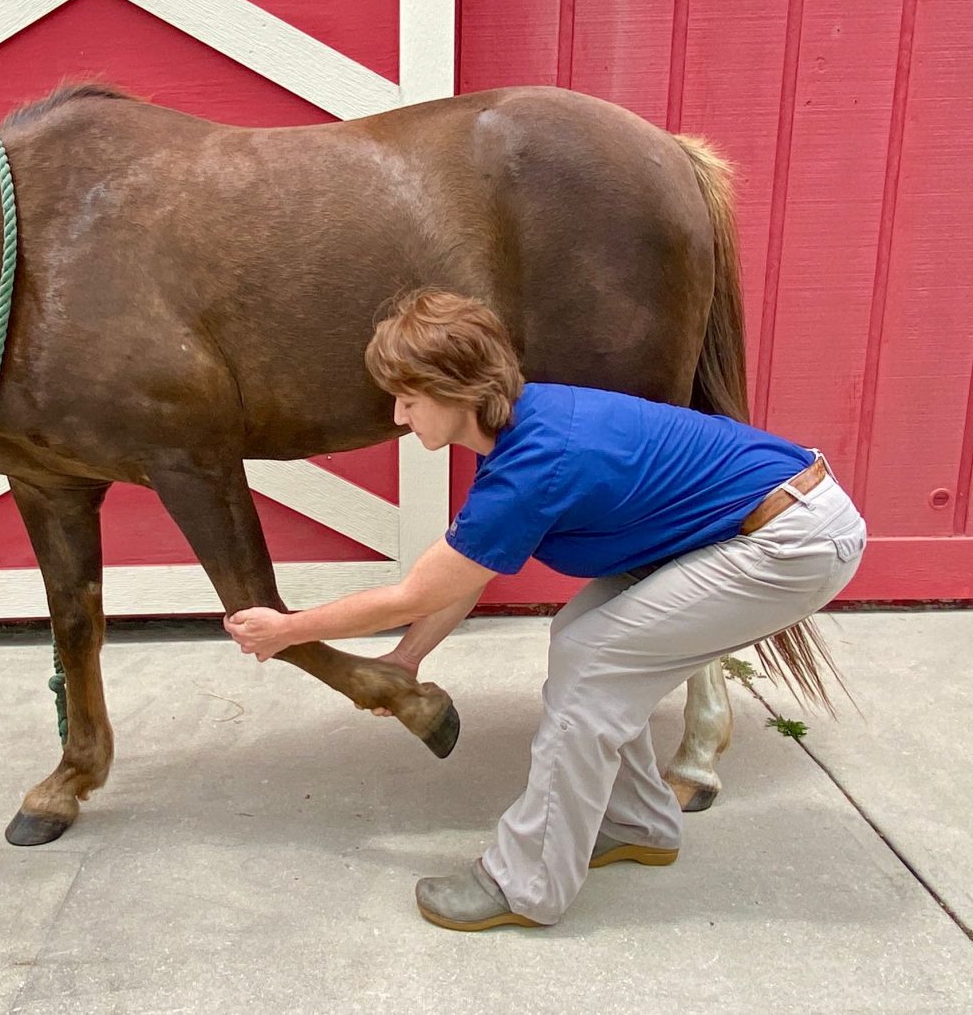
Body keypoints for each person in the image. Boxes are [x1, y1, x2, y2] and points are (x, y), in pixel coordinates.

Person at [224, 289, 866, 932]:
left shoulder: (533, 467)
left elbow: (413, 594)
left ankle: (525, 882)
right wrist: (405, 658)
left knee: (593, 660)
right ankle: (636, 823)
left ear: (457, 391)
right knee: (580, 633)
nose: (397, 416)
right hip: (767, 524)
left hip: (788, 542)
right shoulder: (525, 427)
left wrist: (287, 630)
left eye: (408, 399)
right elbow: (463, 575)